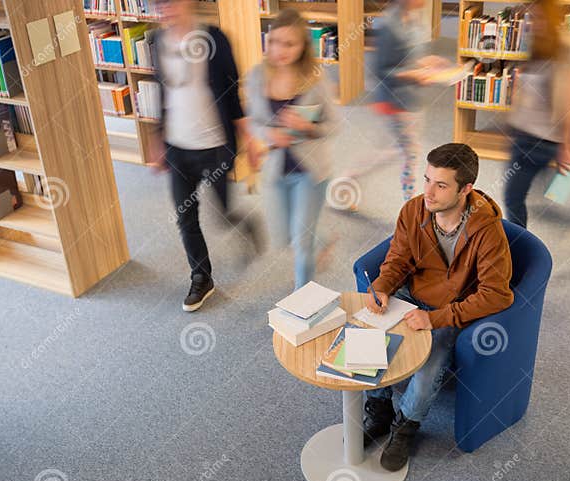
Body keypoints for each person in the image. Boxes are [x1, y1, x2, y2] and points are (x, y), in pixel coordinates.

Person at [363, 143, 514, 472]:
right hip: (413, 294)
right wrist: (384, 285)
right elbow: (398, 259)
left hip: (451, 309)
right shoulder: (413, 210)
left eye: (440, 185)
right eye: (427, 179)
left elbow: (497, 295)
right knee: (373, 336)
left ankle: (405, 425)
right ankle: (378, 407)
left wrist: (435, 319)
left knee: (430, 364)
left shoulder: (487, 231)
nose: (427, 192)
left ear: (466, 189)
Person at [148, 0, 261, 311]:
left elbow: (232, 93)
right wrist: (158, 138)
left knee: (224, 213)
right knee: (186, 218)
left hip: (213, 146)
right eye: (159, 5)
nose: (165, 10)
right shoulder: (157, 41)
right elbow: (163, 93)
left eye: (171, 3)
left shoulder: (214, 39)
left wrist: (249, 139)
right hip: (177, 147)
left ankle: (247, 225)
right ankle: (201, 277)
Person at [245, 9, 340, 290]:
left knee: (301, 241)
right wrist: (269, 133)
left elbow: (335, 125)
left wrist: (308, 127)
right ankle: (323, 238)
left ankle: (303, 302)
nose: (279, 50)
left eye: (289, 44)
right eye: (274, 41)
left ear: (302, 47)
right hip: (276, 170)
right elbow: (254, 121)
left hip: (311, 172)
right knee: (283, 237)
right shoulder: (257, 76)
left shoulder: (316, 80)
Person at [347, 0, 449, 207]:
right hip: (395, 102)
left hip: (412, 99)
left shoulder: (414, 19)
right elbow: (382, 72)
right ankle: (410, 205)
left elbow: (408, 57)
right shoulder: (388, 26)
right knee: (408, 154)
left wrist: (428, 62)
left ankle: (350, 177)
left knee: (395, 150)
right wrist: (413, 75)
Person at [503, 0, 570, 228]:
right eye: (532, 18)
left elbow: (567, 105)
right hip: (522, 135)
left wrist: (565, 147)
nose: (534, 24)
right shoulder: (538, 44)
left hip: (540, 141)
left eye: (539, 18)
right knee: (538, 200)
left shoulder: (566, 48)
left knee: (513, 198)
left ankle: (520, 250)